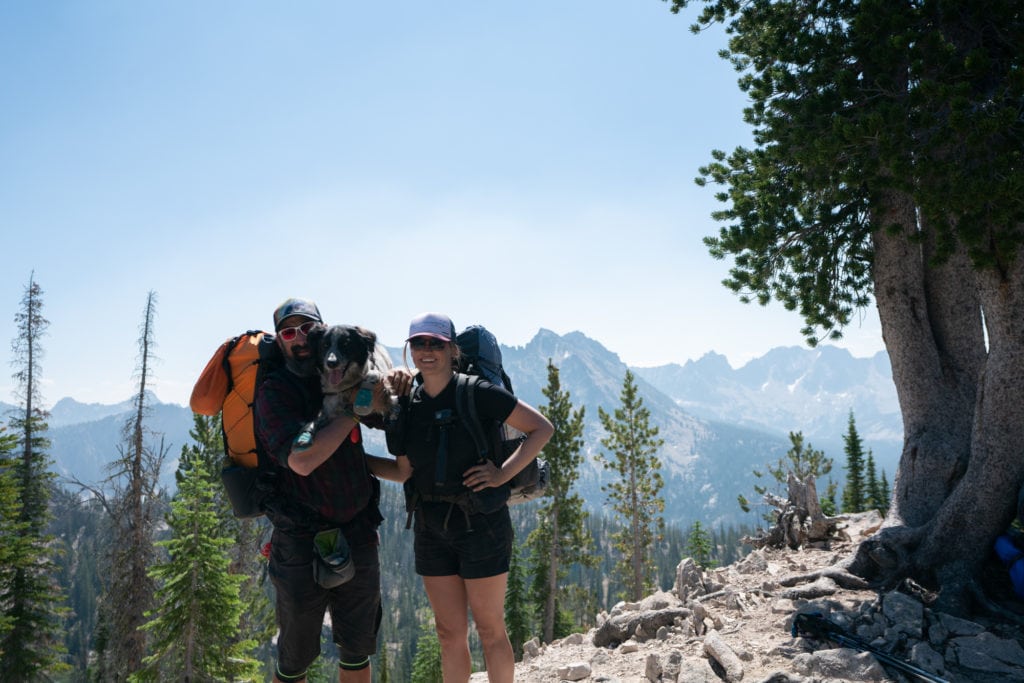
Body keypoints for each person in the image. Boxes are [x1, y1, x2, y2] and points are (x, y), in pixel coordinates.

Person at [387, 312, 554, 683]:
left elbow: (541, 429)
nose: (427, 350)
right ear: (409, 348)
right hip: (431, 528)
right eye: (418, 343)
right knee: (448, 634)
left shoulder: (478, 392)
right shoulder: (409, 400)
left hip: (482, 525)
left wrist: (502, 475)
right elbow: (403, 471)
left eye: (436, 343)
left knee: (490, 629)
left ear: (452, 349)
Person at [253, 297, 411, 683]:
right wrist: (353, 412)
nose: (300, 338)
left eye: (308, 329)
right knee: (294, 661)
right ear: (279, 341)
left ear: (323, 333)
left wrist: (399, 380)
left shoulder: (345, 377)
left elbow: (387, 415)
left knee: (357, 651)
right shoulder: (275, 393)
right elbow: (302, 461)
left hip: (357, 530)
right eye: (289, 332)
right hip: (299, 539)